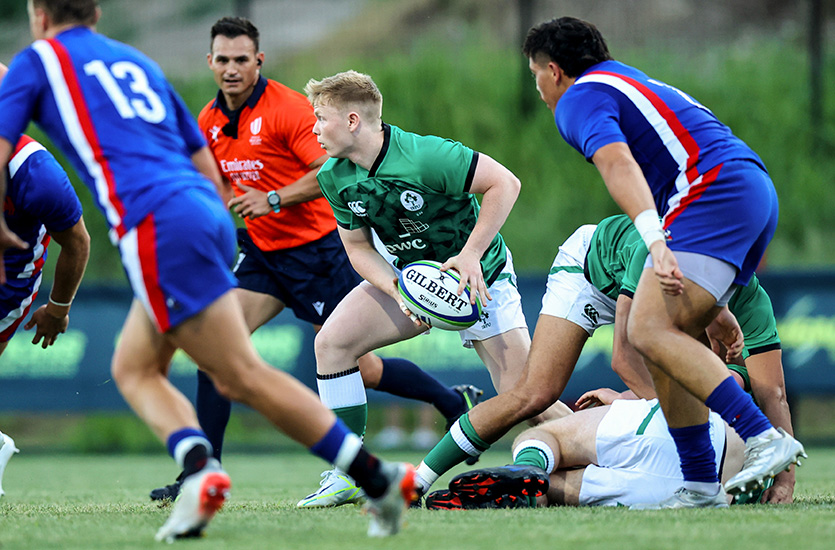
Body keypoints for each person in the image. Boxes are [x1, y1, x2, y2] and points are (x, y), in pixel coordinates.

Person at [0, 0, 414, 540]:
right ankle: (201, 469)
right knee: (134, 366)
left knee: (239, 374)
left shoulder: (37, 60)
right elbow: (201, 156)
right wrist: (214, 226)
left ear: (37, 14)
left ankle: (376, 478)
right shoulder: (134, 62)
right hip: (205, 214)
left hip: (156, 224)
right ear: (96, 13)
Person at [149, 16, 482, 508]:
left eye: (242, 59)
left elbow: (325, 172)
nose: (232, 68)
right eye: (223, 59)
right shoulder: (209, 121)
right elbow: (218, 182)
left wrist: (276, 199)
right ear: (210, 63)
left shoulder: (287, 110)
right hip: (263, 256)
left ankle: (451, 401)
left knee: (359, 366)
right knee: (212, 350)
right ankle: (201, 472)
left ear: (258, 61)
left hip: (319, 253)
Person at [522, 16, 804, 506]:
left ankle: (762, 436)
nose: (540, 89)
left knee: (646, 330)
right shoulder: (628, 80)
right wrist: (713, 308)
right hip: (748, 191)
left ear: (553, 70)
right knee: (664, 342)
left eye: (535, 76)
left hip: (714, 194)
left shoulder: (578, 97)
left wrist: (654, 241)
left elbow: (617, 164)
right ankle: (698, 486)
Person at [305, 70, 557, 504]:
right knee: (331, 343)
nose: (313, 128)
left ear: (351, 121)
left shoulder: (425, 156)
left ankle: (603, 447)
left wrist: (472, 254)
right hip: (416, 281)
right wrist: (400, 288)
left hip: (480, 282)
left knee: (531, 402)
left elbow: (505, 184)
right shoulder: (334, 177)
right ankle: (349, 471)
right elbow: (357, 248)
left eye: (320, 118)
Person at [425, 397, 746, 509]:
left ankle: (527, 466)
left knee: (545, 434)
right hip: (713, 479)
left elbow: (627, 355)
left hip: (683, 433)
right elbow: (773, 397)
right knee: (548, 487)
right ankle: (524, 493)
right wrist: (784, 481)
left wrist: (625, 397)